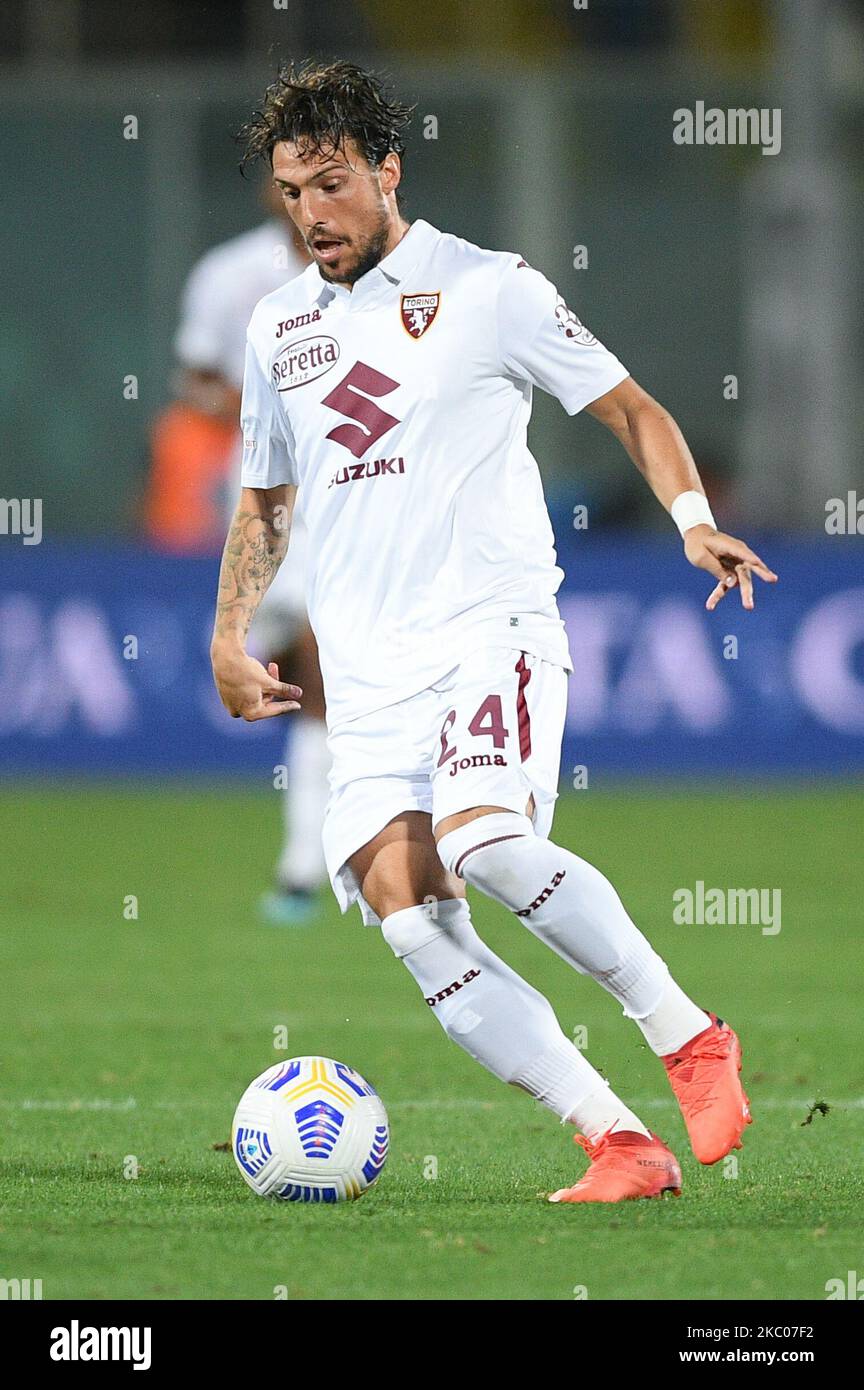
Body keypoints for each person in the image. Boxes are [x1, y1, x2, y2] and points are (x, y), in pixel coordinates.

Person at [210, 61, 778, 1203]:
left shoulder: (489, 288)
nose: (312, 213)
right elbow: (266, 499)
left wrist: (694, 520)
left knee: (486, 842)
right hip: (367, 676)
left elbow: (629, 406)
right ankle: (619, 1141)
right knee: (410, 916)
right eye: (290, 191)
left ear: (387, 169)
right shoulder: (277, 328)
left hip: (490, 625)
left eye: (332, 184)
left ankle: (685, 1033)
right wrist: (228, 632)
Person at [156, 183, 330, 922]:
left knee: (325, 669)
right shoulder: (231, 275)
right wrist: (263, 408)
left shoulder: (383, 274)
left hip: (355, 481)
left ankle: (304, 868)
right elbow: (191, 377)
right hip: (263, 475)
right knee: (283, 653)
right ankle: (240, 640)